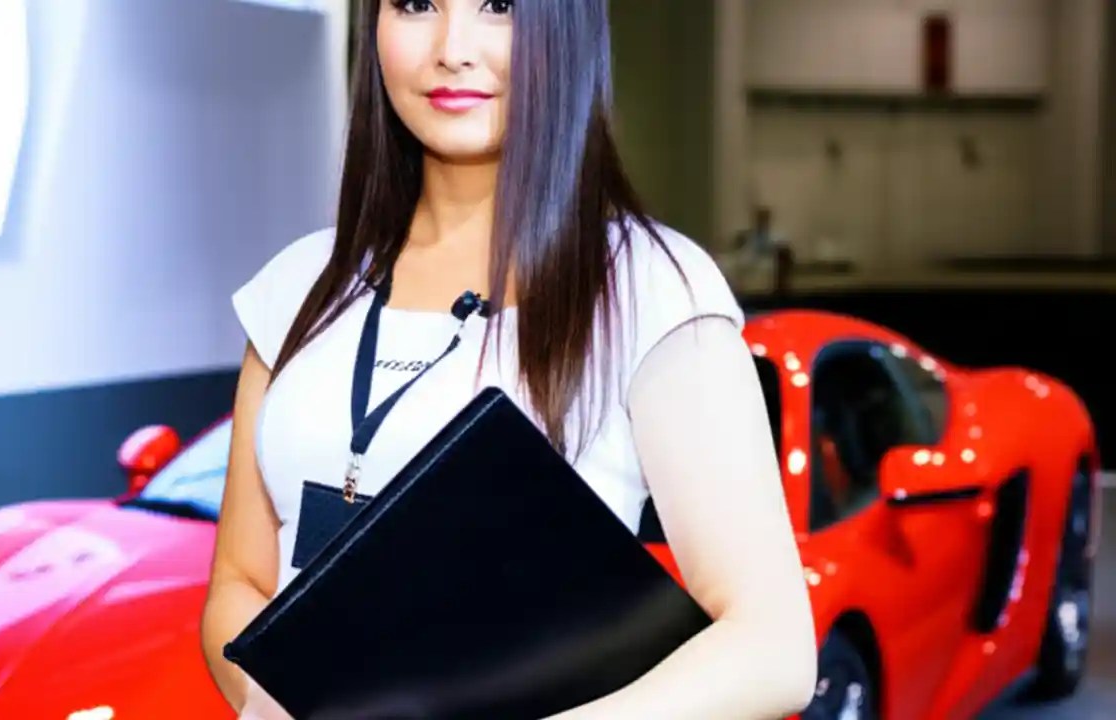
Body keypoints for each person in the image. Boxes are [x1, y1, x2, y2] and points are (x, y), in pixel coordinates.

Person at [201, 1, 817, 718]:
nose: (452, 48)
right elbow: (240, 583)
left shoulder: (649, 287)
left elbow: (772, 647)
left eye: (498, 6)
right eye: (416, 4)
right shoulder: (299, 285)